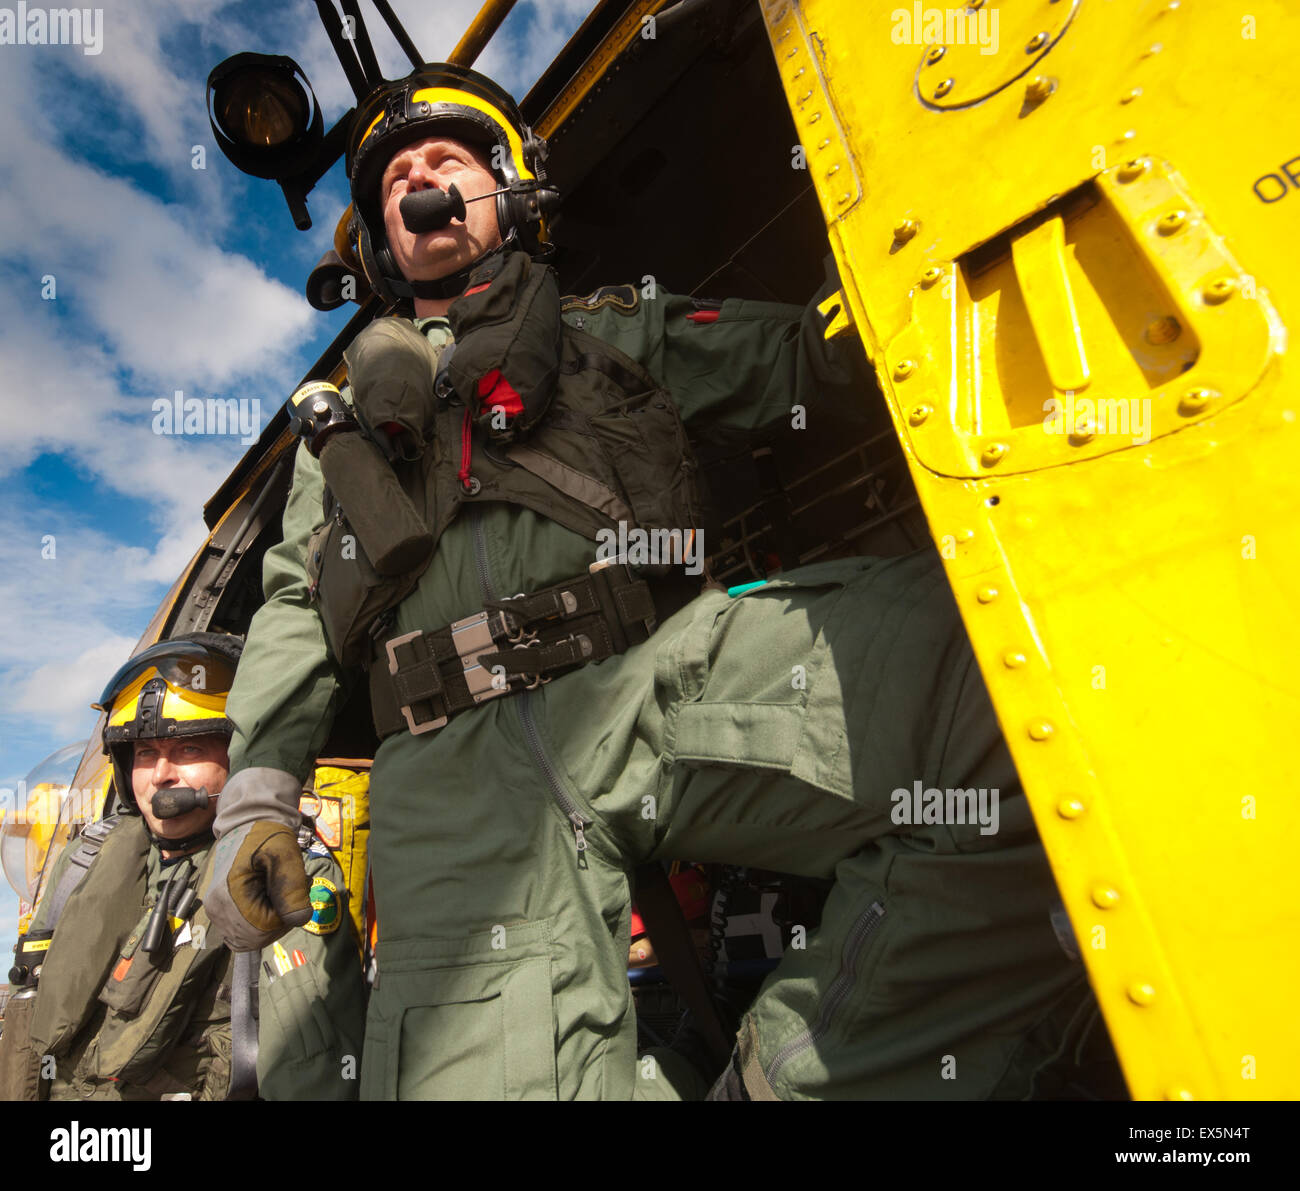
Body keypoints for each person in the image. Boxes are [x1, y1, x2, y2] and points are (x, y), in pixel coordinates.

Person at [205, 64, 1121, 1100]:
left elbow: (814, 365)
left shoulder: (620, 331)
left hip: (644, 685)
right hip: (448, 766)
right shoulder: (336, 435)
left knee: (1031, 699)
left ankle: (784, 1078)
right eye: (395, 179)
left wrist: (916, 202)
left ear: (510, 190)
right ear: (380, 239)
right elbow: (293, 606)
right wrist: (256, 796)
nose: (420, 183)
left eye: (446, 160)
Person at [0, 633, 365, 1101]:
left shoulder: (282, 869)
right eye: (146, 753)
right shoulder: (84, 859)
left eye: (189, 750)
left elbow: (311, 1064)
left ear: (239, 759)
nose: (161, 775)